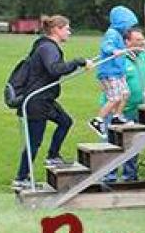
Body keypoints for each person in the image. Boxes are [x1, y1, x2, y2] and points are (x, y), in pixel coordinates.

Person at [12, 15, 91, 190]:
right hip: (36, 100)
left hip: (45, 99)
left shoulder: (45, 46)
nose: (69, 32)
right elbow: (54, 69)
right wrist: (77, 62)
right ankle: (21, 178)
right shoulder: (48, 48)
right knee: (34, 141)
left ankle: (53, 156)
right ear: (56, 29)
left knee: (65, 121)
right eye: (67, 29)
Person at [99, 28, 145, 182]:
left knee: (133, 144)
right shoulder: (119, 59)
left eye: (142, 39)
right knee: (111, 144)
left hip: (135, 111)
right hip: (115, 111)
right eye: (138, 40)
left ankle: (130, 176)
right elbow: (105, 78)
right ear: (127, 42)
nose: (142, 43)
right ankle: (108, 177)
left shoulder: (144, 56)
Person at [90, 6, 139, 136]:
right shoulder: (111, 33)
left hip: (118, 71)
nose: (129, 28)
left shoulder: (119, 34)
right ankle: (97, 120)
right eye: (128, 25)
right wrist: (114, 51)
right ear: (121, 23)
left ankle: (117, 116)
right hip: (109, 72)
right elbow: (106, 46)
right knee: (115, 97)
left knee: (125, 93)